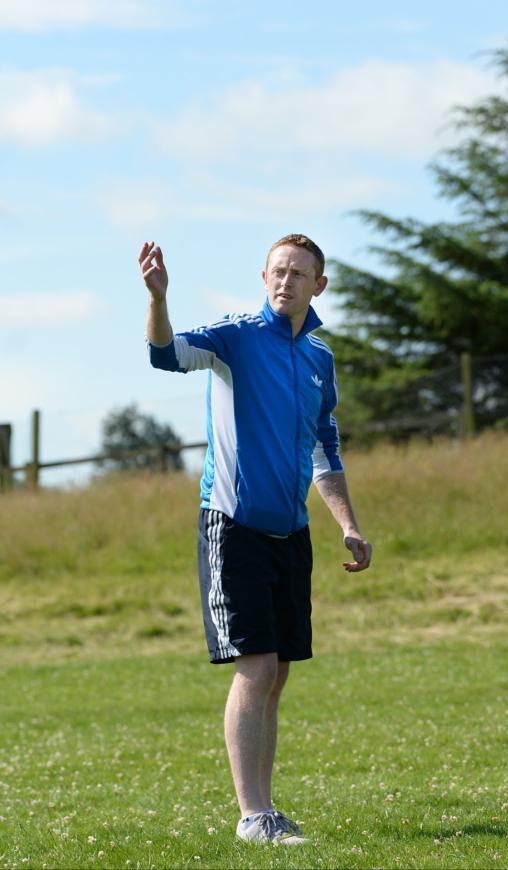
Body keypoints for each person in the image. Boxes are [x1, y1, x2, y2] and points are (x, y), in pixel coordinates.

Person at [139, 234, 372, 844]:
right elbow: (165, 355)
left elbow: (325, 449)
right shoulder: (236, 337)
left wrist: (347, 523)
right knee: (257, 663)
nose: (285, 281)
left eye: (298, 273)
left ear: (318, 286)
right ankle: (252, 816)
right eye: (277, 271)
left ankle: (265, 808)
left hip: (291, 534)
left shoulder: (319, 359)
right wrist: (158, 298)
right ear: (263, 276)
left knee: (279, 670)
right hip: (233, 526)